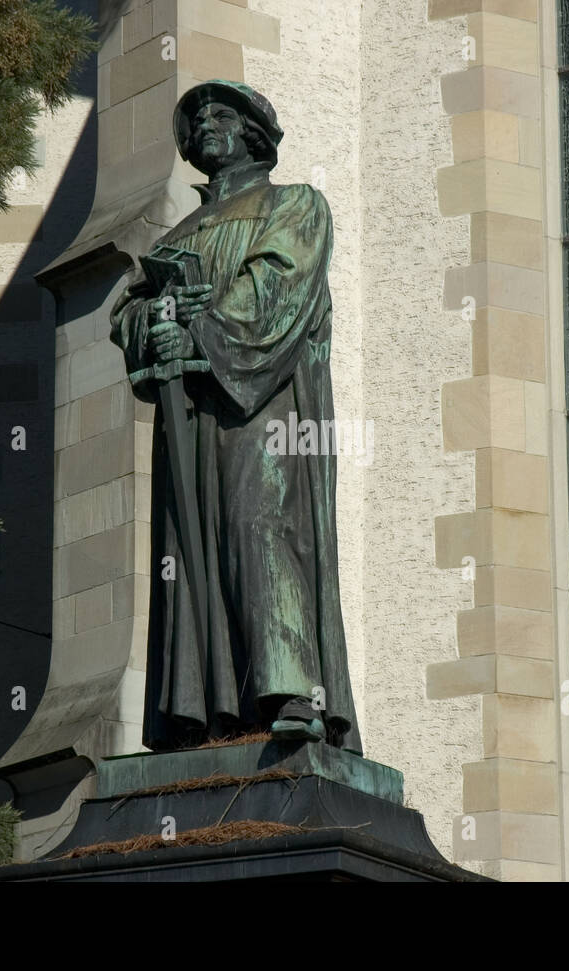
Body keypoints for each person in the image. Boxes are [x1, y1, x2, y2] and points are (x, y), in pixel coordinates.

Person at [110, 81, 361, 754]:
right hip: (189, 421)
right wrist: (155, 327)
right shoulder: (179, 235)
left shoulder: (294, 206)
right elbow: (128, 315)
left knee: (259, 527)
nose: (203, 124)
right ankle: (199, 714)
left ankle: (292, 694)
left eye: (220, 114)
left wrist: (200, 331)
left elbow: (279, 287)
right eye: (195, 119)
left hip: (264, 408)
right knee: (185, 558)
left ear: (254, 131)